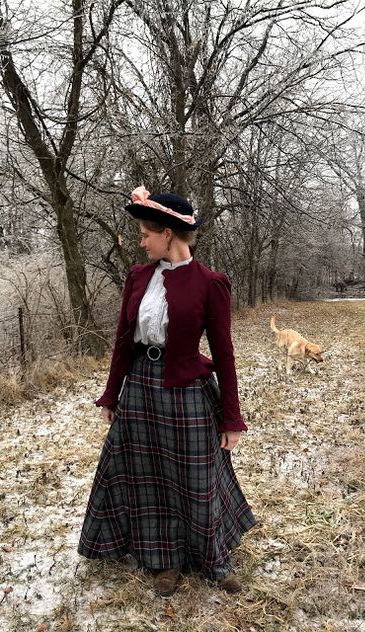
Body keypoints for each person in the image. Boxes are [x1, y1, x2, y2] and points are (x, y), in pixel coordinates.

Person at [78, 186, 256, 596]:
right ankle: (164, 561)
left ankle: (212, 558)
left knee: (196, 477)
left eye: (146, 233)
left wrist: (232, 418)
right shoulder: (139, 277)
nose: (141, 242)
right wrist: (111, 395)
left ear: (169, 235)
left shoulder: (210, 283)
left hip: (187, 390)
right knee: (149, 477)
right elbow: (123, 340)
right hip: (140, 388)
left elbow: (224, 353)